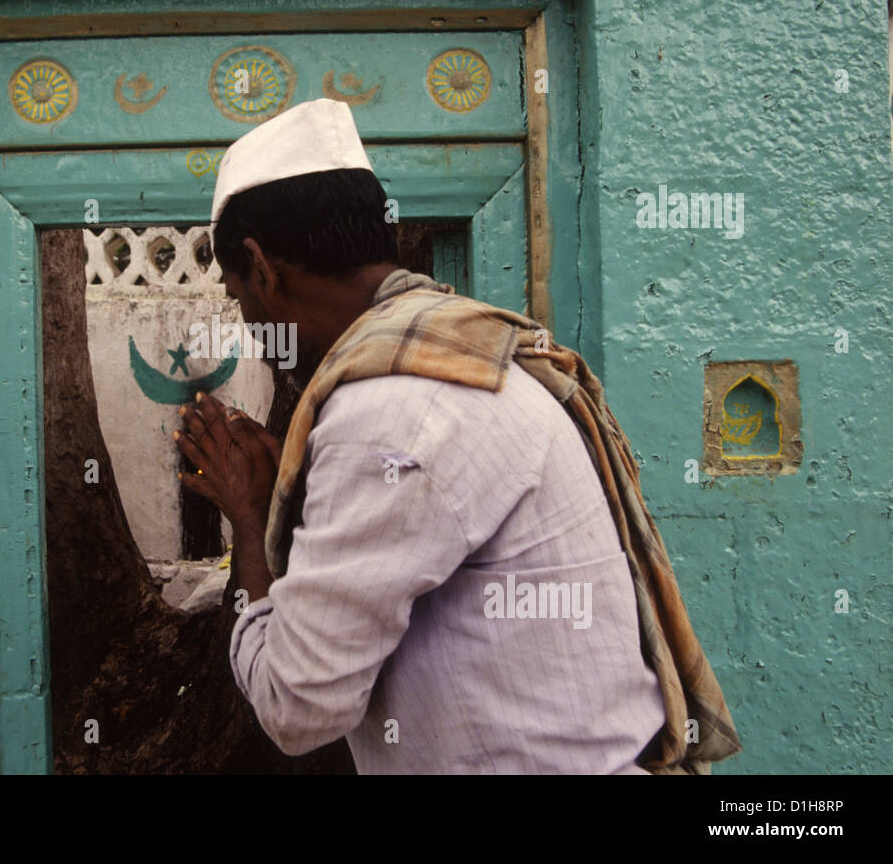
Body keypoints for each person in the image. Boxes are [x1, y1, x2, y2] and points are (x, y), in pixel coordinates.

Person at [174, 98, 741, 774]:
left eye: (241, 300)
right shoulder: (471, 352)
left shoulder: (388, 412)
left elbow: (296, 708)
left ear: (262, 268)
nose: (252, 329)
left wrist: (247, 522)